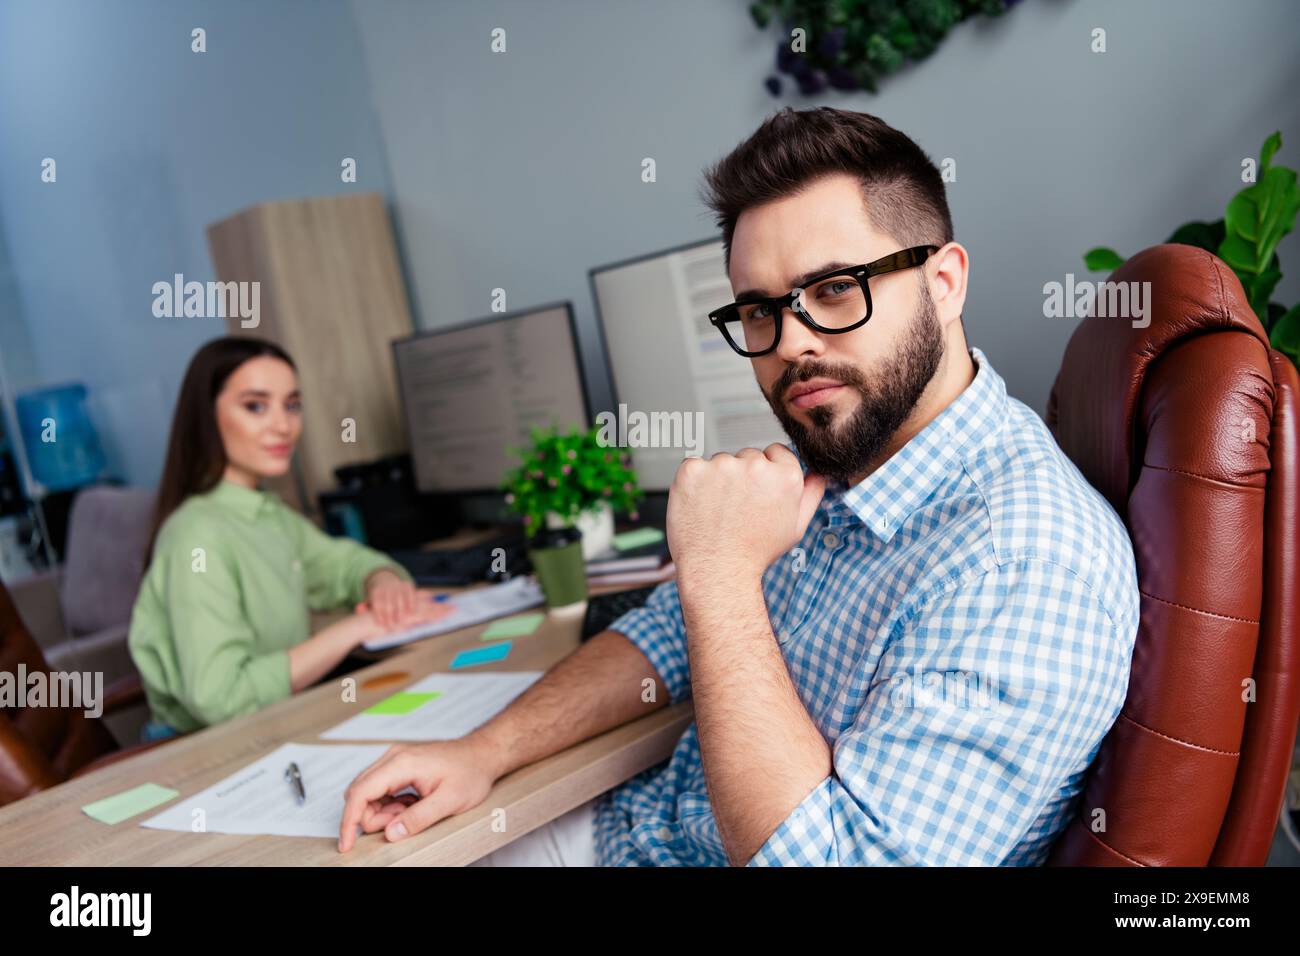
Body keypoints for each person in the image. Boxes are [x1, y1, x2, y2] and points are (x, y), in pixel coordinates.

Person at [337, 107, 1140, 866]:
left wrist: (719, 576)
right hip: (629, 826)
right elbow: (663, 638)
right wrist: (483, 752)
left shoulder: (1020, 564)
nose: (790, 342)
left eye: (834, 290)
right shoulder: (849, 463)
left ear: (944, 282)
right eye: (759, 311)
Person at [129, 336, 447, 739]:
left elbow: (342, 565)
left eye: (292, 405)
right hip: (206, 749)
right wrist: (356, 628)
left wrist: (381, 581)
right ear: (206, 417)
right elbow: (222, 699)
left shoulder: (268, 513)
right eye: (255, 406)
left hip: (274, 723)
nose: (283, 426)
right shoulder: (197, 535)